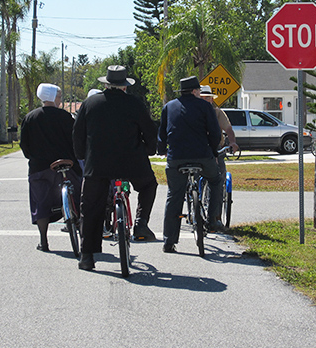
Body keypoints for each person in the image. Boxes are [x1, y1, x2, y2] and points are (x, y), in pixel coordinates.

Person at [73, 65, 158, 271]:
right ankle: (140, 223)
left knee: (90, 208)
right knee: (149, 185)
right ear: (125, 86)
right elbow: (149, 131)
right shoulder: (135, 104)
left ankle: (86, 256)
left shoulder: (90, 103)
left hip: (98, 164)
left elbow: (77, 134)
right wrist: (149, 150)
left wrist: (83, 156)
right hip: (132, 162)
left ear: (106, 84)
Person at [158, 76, 223, 253]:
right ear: (195, 91)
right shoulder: (205, 106)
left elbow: (162, 134)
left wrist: (162, 150)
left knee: (174, 195)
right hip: (202, 156)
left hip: (176, 157)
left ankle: (168, 241)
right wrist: (213, 150)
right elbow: (215, 133)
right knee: (216, 180)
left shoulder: (169, 107)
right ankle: (211, 221)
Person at [20, 83, 82, 253]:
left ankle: (43, 241)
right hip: (67, 165)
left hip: (40, 168)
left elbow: (25, 146)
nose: (61, 100)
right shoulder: (66, 117)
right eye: (59, 97)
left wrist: (33, 157)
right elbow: (75, 141)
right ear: (53, 97)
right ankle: (79, 227)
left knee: (41, 202)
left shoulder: (30, 118)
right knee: (78, 195)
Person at [199, 85, 239, 221]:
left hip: (216, 149)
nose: (206, 100)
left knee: (219, 178)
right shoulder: (193, 111)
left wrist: (232, 142)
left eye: (208, 98)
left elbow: (228, 129)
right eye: (203, 98)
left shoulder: (217, 113)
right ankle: (193, 204)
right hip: (199, 150)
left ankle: (216, 217)